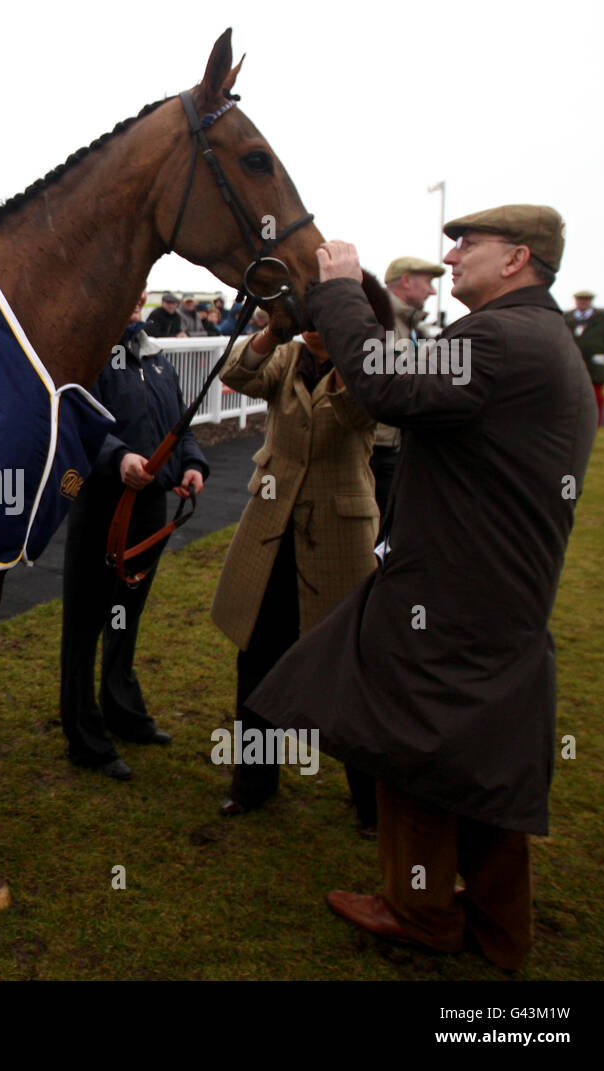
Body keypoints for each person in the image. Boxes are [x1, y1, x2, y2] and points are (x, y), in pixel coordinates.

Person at [245, 206, 595, 971]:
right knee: (481, 759)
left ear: (519, 260)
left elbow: (387, 385)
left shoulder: (499, 338)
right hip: (497, 591)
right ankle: (501, 928)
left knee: (408, 742)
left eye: (472, 242)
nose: (456, 251)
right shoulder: (542, 338)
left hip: (452, 590)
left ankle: (419, 909)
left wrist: (338, 289)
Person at [211, 274, 392, 831]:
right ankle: (254, 781)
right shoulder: (288, 359)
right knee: (258, 658)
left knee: (347, 670)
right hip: (272, 526)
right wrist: (273, 329)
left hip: (338, 533)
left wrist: (344, 348)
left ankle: (370, 800)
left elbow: (357, 415)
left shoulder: (374, 366)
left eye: (325, 317)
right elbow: (237, 374)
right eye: (310, 316)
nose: (314, 329)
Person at [60, 290, 208, 781]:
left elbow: (180, 427)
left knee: (125, 616)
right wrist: (119, 457)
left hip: (150, 509)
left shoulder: (156, 359)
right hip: (103, 506)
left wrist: (191, 464)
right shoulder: (91, 354)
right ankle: (84, 737)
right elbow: (76, 425)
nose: (136, 297)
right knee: (84, 626)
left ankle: (122, 711)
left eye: (141, 290)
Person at [376, 256, 445, 520]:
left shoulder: (405, 322)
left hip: (390, 442)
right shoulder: (382, 320)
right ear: (406, 281)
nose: (432, 290)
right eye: (427, 282)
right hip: (376, 447)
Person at [565, 289, 604, 426]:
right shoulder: (566, 318)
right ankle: (572, 425)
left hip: (595, 365)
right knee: (569, 396)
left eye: (586, 300)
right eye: (580, 300)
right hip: (570, 364)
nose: (583, 303)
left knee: (596, 397)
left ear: (590, 301)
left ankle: (595, 425)